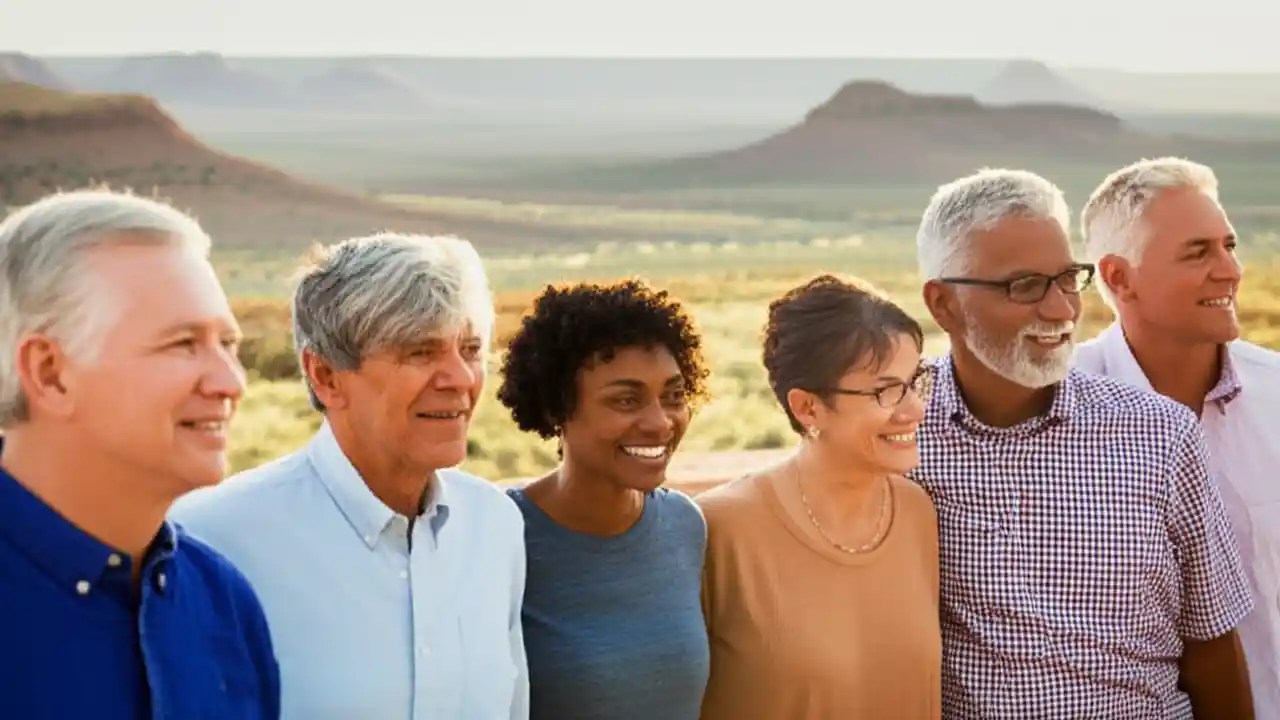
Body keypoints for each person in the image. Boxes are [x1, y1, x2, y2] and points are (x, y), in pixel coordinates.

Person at [912, 167, 1255, 719]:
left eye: (1068, 279)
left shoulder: (1160, 434)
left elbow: (1213, 649)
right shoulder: (895, 432)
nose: (1062, 310)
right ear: (943, 304)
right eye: (1024, 286)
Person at [170, 233, 528, 720]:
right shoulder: (212, 539)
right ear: (325, 376)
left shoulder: (495, 526)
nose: (462, 378)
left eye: (469, 349)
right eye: (421, 352)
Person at [0, 189, 279, 719]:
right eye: (182, 344)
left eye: (229, 344)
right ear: (50, 374)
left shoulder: (223, 603)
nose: (230, 382)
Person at [1076, 156, 1280, 717]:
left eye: (1229, 246)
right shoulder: (1057, 412)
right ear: (1118, 277)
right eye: (1198, 252)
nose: (1230, 271)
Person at [696, 274, 940, 719]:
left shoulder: (916, 511)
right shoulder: (721, 529)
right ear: (808, 407)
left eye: (914, 382)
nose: (915, 410)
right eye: (886, 391)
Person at [497, 279, 711, 720]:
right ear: (558, 408)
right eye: (626, 400)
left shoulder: (683, 524)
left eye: (673, 396)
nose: (660, 422)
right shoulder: (502, 536)